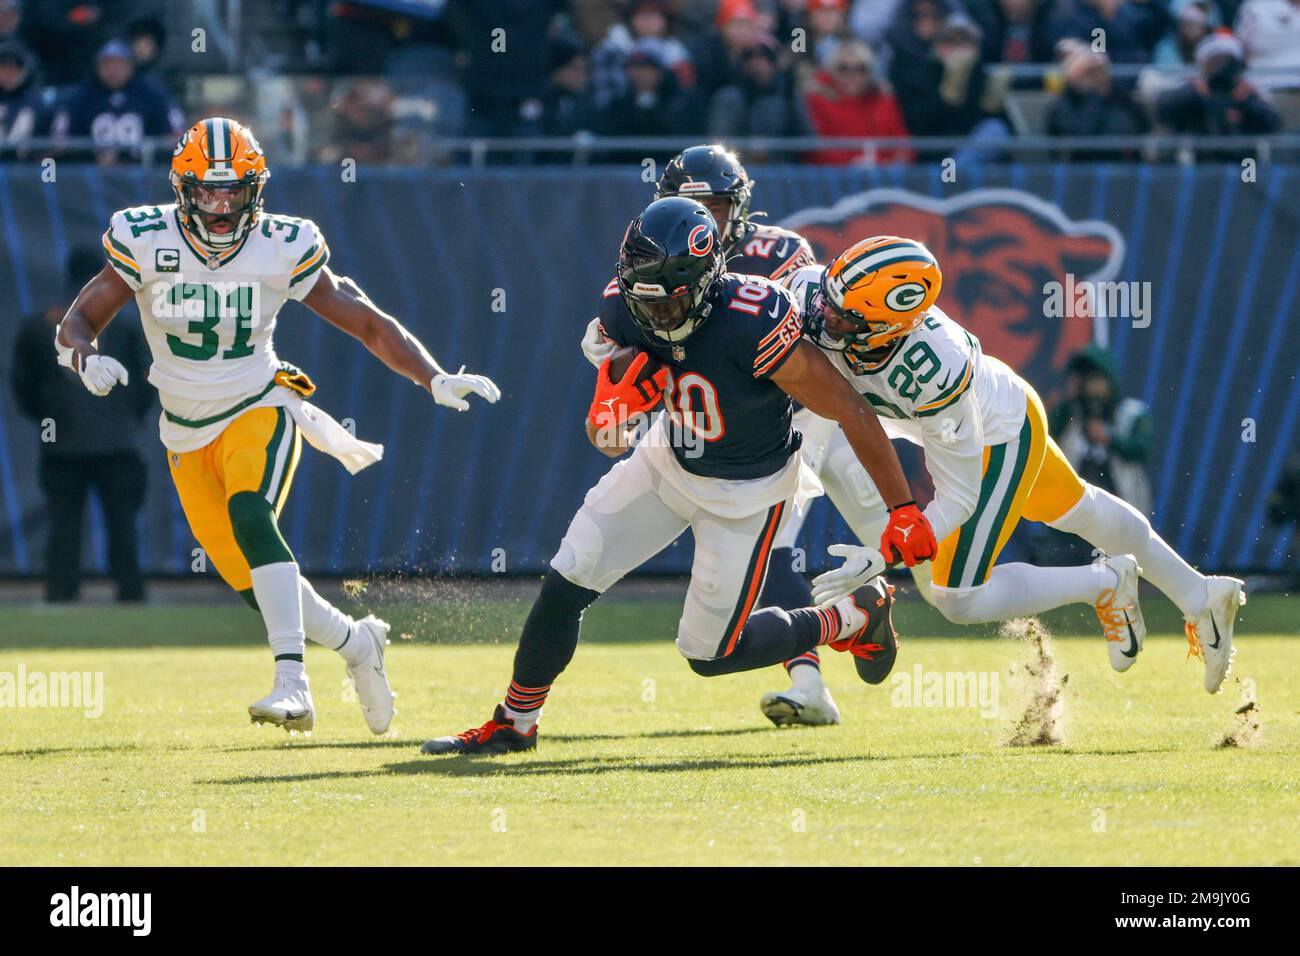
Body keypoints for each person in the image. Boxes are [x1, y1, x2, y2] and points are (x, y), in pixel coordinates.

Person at [421, 198, 939, 756]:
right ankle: (515, 722)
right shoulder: (622, 309)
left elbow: (850, 410)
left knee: (709, 654)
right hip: (665, 461)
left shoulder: (752, 318)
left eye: (671, 301)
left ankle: (852, 615)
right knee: (568, 578)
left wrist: (902, 509)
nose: (659, 315)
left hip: (748, 493)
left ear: (708, 279)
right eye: (647, 301)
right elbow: (607, 439)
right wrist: (612, 407)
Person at [55, 117, 501, 735]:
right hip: (183, 430)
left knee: (251, 514)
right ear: (181, 189)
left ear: (255, 188)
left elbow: (366, 321)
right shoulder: (143, 236)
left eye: (233, 190)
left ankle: (293, 683)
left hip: (258, 403)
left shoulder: (281, 243)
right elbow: (78, 320)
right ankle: (356, 643)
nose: (219, 205)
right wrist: (84, 357)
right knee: (255, 587)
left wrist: (433, 377)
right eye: (206, 191)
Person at [788, 236, 1245, 696]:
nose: (824, 314)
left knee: (957, 597)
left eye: (843, 316)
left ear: (889, 329)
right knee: (1079, 509)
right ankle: (1200, 593)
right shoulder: (811, 290)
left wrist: (885, 555)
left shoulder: (934, 371)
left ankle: (1102, 582)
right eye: (828, 297)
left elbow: (960, 496)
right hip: (1003, 403)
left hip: (997, 435)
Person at [12, 245, 152, 603]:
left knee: (63, 522)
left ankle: (60, 594)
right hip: (119, 443)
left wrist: (45, 415)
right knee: (122, 523)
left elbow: (21, 380)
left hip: (61, 445)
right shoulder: (126, 321)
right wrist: (128, 418)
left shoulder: (41, 320)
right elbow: (147, 377)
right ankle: (131, 593)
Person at [51, 39, 184, 163]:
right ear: (97, 67)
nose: (113, 71)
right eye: (107, 65)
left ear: (131, 66)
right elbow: (61, 141)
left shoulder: (152, 93)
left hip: (144, 174)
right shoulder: (80, 97)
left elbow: (174, 134)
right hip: (92, 174)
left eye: (119, 65)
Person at [805, 39, 912, 165]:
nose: (852, 75)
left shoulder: (883, 100)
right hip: (833, 178)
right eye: (843, 68)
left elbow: (902, 143)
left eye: (860, 69)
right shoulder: (817, 100)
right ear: (832, 70)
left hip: (881, 175)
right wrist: (853, 163)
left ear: (870, 72)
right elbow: (815, 148)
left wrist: (886, 162)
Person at [1156, 31, 1282, 137]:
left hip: (1245, 160)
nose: (1220, 69)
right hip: (1201, 157)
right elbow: (1163, 111)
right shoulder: (1193, 87)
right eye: (1214, 63)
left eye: (1225, 62)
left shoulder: (1248, 90)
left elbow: (1273, 124)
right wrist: (1193, 93)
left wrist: (1248, 100)